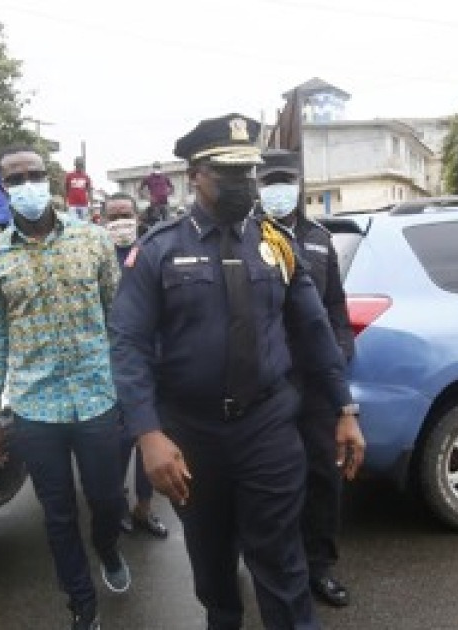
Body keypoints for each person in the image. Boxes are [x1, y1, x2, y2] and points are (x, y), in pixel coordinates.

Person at [110, 113, 365, 630]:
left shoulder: (278, 245)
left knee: (281, 562)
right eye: (230, 174)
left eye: (248, 173)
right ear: (196, 175)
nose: (244, 185)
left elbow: (316, 331)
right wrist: (148, 433)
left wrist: (345, 408)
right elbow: (128, 345)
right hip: (191, 433)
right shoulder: (159, 250)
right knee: (211, 563)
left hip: (267, 426)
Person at [0, 145, 129, 630]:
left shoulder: (94, 242)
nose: (27, 185)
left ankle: (107, 544)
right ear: (3, 190)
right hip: (35, 408)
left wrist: (133, 390)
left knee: (108, 499)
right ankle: (81, 603)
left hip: (97, 399)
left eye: (35, 174)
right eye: (15, 179)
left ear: (53, 179)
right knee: (58, 515)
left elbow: (120, 320)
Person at [258, 149, 356, 608]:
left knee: (323, 475)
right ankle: (271, 561)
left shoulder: (319, 238)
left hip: (315, 380)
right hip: (268, 380)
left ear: (298, 185)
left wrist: (340, 349)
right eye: (269, 180)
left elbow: (335, 304)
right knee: (271, 477)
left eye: (285, 180)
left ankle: (319, 566)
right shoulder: (246, 236)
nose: (277, 189)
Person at [102, 193, 168, 539]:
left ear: (137, 216)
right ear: (102, 220)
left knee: (150, 435)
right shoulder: (96, 258)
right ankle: (117, 507)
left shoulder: (152, 252)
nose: (120, 222)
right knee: (118, 445)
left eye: (125, 214)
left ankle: (145, 508)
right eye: (113, 216)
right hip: (110, 366)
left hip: (152, 363)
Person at [138, 161, 174, 230]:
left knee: (167, 223)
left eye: (158, 167)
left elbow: (172, 187)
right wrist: (148, 198)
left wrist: (167, 194)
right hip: (155, 205)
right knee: (155, 223)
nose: (157, 169)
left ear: (160, 168)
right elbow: (140, 189)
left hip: (165, 203)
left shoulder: (165, 177)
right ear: (153, 168)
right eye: (156, 167)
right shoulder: (148, 178)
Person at [64, 157, 94, 221]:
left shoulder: (86, 177)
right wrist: (65, 202)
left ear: (83, 166)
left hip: (84, 205)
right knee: (74, 224)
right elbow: (66, 190)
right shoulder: (69, 176)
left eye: (80, 165)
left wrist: (91, 204)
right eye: (78, 165)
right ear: (75, 165)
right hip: (72, 205)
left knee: (84, 225)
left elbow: (89, 191)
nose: (79, 166)